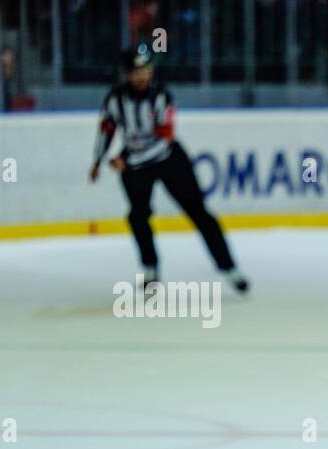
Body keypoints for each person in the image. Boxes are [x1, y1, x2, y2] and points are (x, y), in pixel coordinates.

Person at [90, 44, 248, 292]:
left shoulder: (161, 96)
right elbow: (106, 129)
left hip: (168, 159)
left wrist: (127, 161)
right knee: (137, 216)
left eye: (146, 70)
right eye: (136, 71)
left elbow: (165, 139)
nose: (142, 76)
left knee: (199, 212)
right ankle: (150, 266)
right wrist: (98, 160)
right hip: (134, 162)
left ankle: (228, 266)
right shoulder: (115, 100)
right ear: (127, 74)